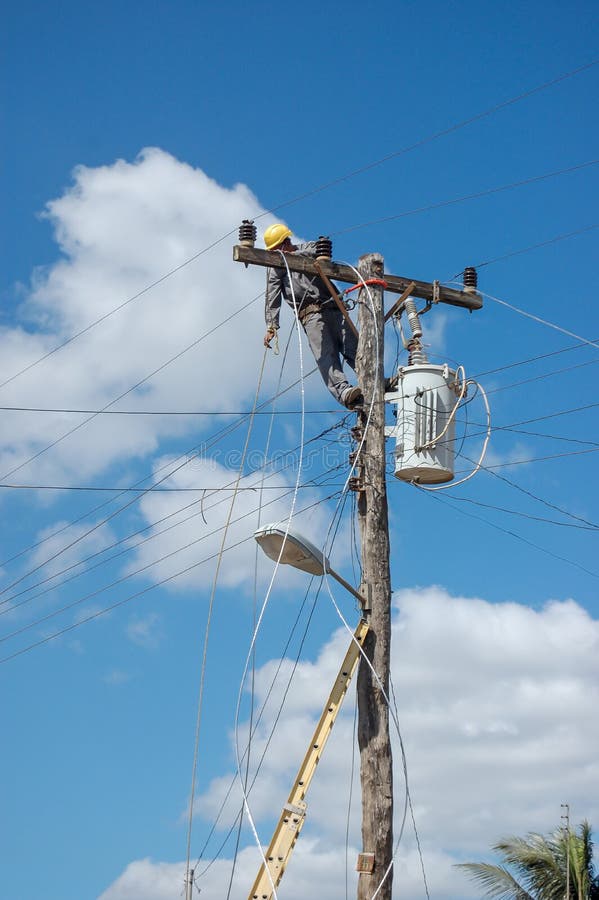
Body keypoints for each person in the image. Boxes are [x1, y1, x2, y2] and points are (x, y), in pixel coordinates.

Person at [262, 223, 363, 409]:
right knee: (326, 355)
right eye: (273, 251)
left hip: (334, 308)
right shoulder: (276, 266)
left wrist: (293, 256)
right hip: (310, 315)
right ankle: (344, 392)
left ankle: (374, 381)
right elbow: (272, 295)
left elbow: (319, 251)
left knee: (355, 348)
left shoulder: (308, 249)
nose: (276, 254)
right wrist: (271, 325)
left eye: (277, 249)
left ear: (286, 242)